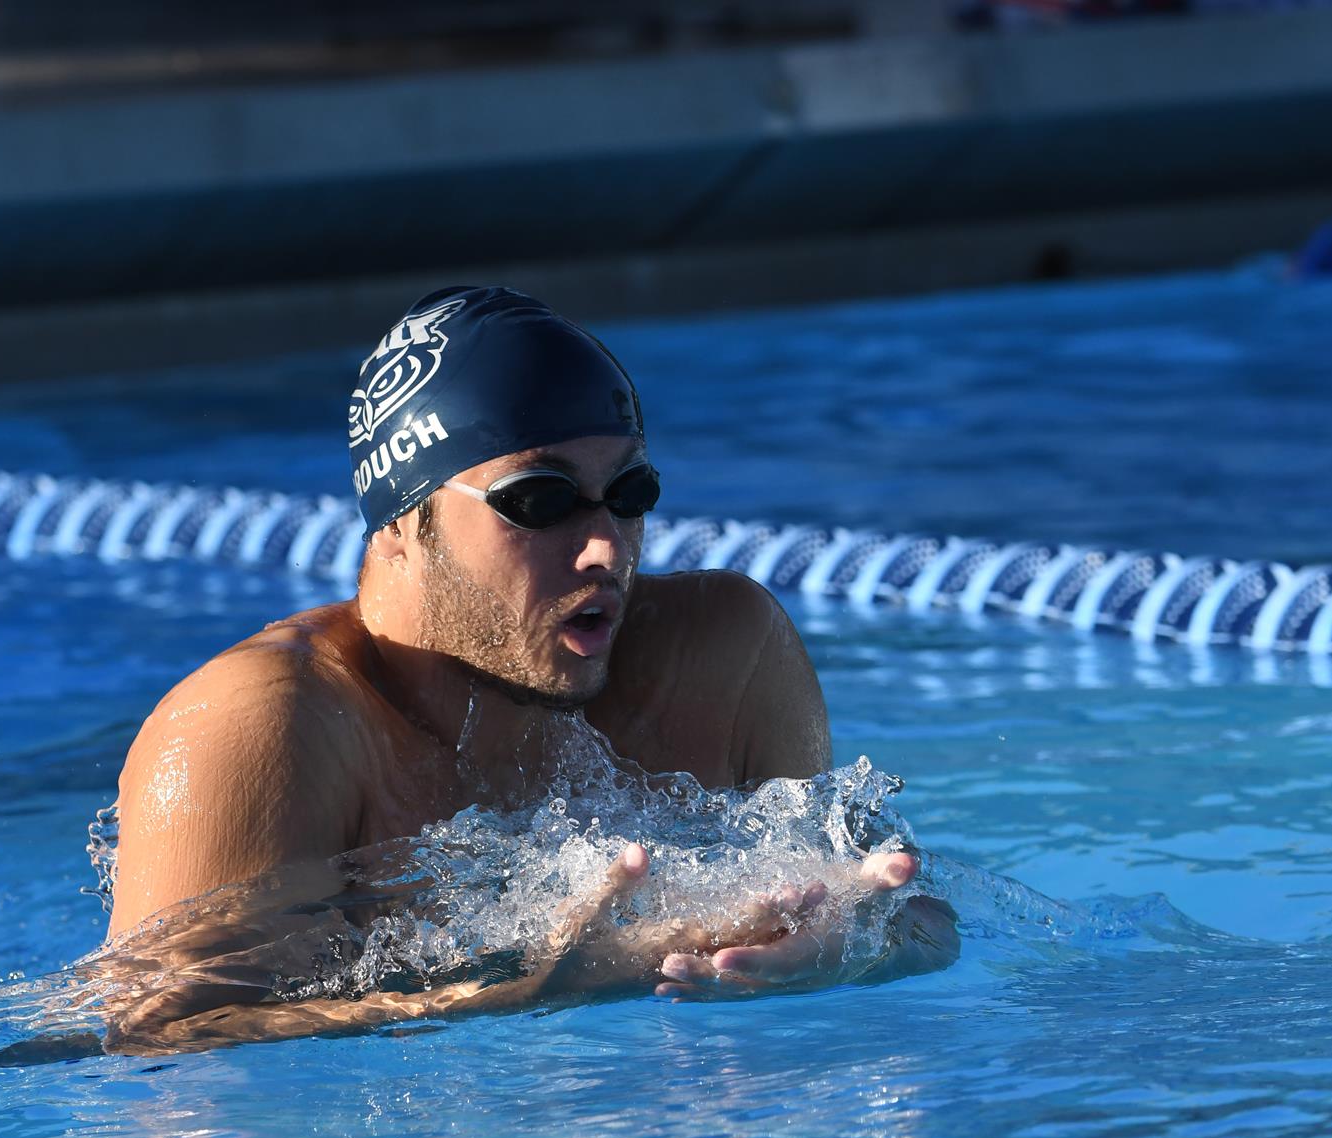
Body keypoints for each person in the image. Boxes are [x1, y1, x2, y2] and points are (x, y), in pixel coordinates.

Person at [100, 287, 956, 1050]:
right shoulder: (260, 728)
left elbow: (917, 916)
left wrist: (857, 946)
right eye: (539, 501)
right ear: (400, 520)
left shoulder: (725, 658)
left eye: (630, 495)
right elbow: (155, 1043)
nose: (606, 549)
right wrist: (529, 990)